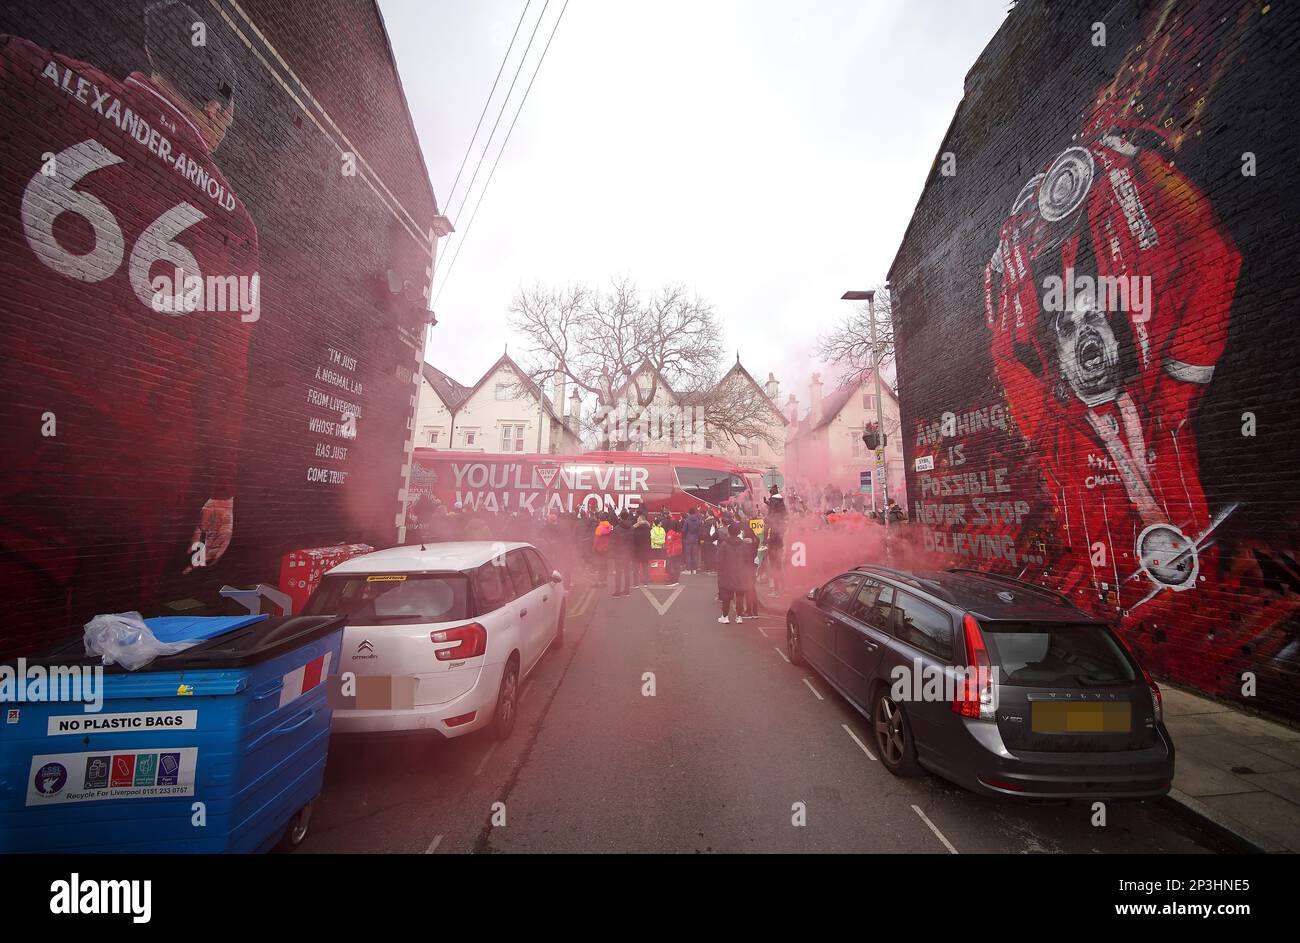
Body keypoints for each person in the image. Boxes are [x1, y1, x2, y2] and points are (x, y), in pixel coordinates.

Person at [611, 511, 636, 597]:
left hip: (619, 553)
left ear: (621, 517)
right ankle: (626, 591)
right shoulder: (632, 528)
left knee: (618, 572)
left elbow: (613, 542)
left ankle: (617, 592)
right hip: (628, 553)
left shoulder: (617, 528)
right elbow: (634, 541)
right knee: (627, 572)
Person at [592, 514, 613, 587]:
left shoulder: (599, 528)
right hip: (606, 549)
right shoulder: (610, 527)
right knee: (605, 565)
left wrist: (594, 548)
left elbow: (596, 539)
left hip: (599, 549)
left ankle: (599, 582)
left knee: (598, 565)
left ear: (599, 519)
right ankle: (604, 581)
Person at [632, 512, 652, 586]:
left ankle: (636, 583)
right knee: (645, 568)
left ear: (640, 520)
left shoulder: (636, 529)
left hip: (637, 551)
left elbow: (634, 540)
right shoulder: (648, 529)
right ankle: (645, 582)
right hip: (645, 551)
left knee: (636, 568)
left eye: (638, 519)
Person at [682, 507, 702, 574]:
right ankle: (694, 569)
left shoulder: (687, 520)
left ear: (689, 513)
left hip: (688, 538)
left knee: (688, 554)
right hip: (696, 538)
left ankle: (688, 569)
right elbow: (700, 531)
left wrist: (684, 537)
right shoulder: (698, 520)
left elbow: (684, 530)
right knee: (695, 555)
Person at [664, 520, 683, 585]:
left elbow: (669, 543)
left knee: (671, 566)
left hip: (673, 551)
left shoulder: (670, 533)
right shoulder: (679, 533)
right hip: (679, 550)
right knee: (677, 565)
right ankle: (676, 579)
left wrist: (668, 552)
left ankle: (672, 580)